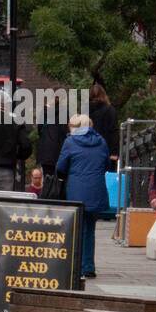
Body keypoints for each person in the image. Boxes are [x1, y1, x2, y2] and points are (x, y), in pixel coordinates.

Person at [56, 113, 111, 279]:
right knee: (90, 229)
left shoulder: (70, 142)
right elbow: (107, 164)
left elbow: (60, 167)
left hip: (76, 191)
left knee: (76, 229)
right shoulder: (101, 142)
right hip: (96, 190)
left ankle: (76, 265)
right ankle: (88, 266)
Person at [89, 83, 119, 167]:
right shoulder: (110, 110)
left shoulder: (85, 110)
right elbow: (114, 131)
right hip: (106, 150)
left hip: (88, 150)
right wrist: (114, 152)